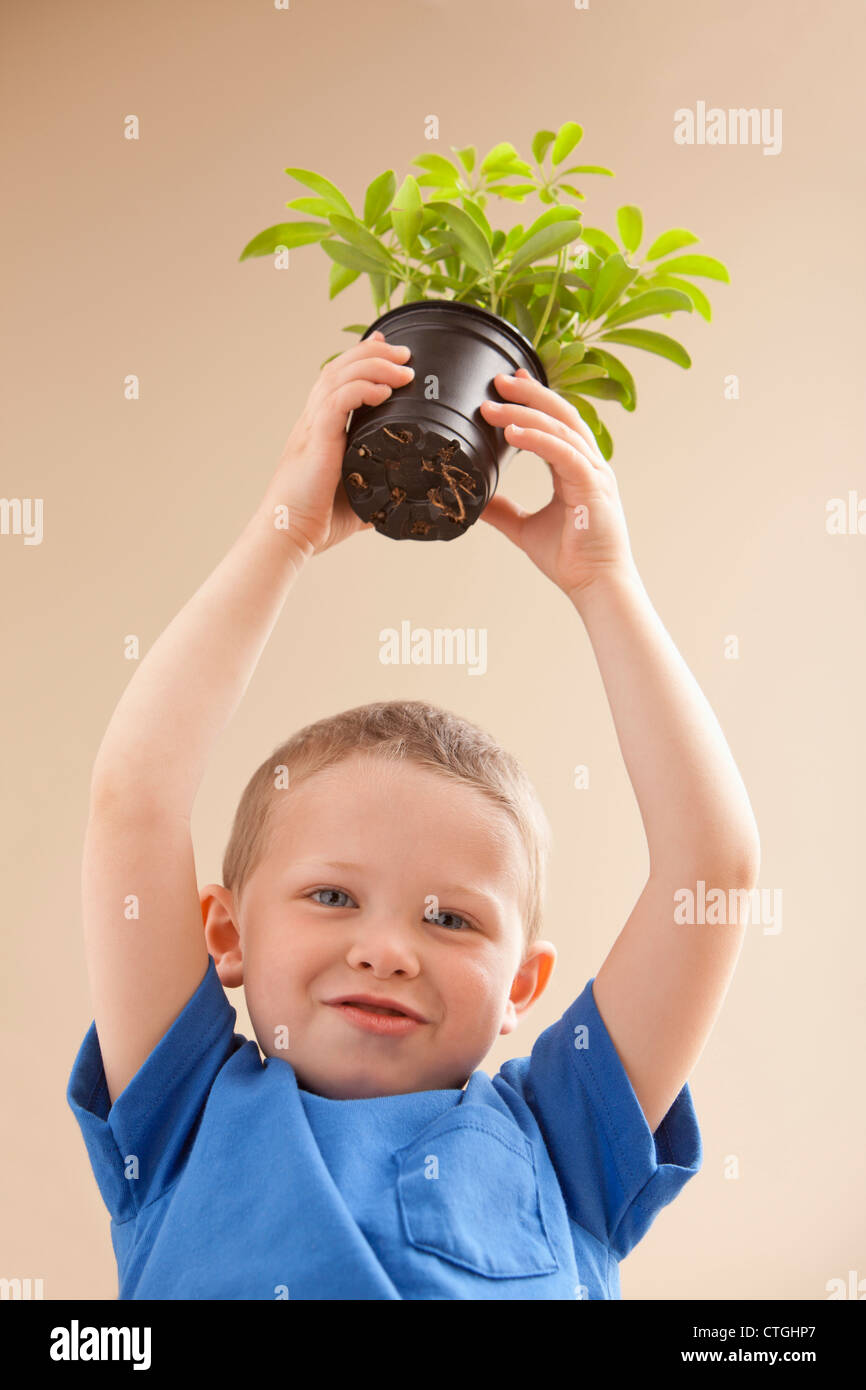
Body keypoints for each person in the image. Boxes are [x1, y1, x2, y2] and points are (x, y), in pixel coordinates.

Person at [67, 330, 760, 1299]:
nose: (387, 949)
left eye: (450, 918)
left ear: (522, 981)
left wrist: (606, 586)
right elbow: (131, 805)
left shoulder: (561, 1143)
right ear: (223, 931)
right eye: (331, 895)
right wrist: (285, 531)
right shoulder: (181, 1116)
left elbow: (710, 874)